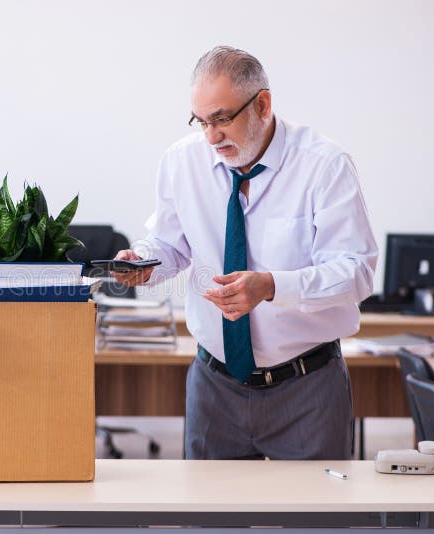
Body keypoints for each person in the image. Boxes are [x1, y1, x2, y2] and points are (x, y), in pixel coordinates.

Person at [112, 46, 378, 460]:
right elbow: (169, 244)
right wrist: (143, 263)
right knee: (208, 521)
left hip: (307, 387)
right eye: (201, 122)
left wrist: (272, 286)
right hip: (214, 385)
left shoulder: (324, 166)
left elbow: (356, 272)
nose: (211, 136)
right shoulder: (182, 162)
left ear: (263, 105)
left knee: (315, 521)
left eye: (221, 119)